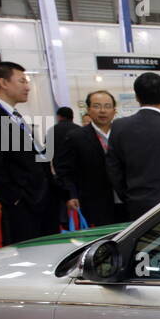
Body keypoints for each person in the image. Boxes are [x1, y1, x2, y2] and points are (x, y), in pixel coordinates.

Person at [0, 60, 57, 246]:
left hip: (40, 197)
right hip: (23, 203)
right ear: (3, 83)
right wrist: (15, 199)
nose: (28, 87)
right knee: (26, 252)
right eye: (22, 81)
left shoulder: (14, 114)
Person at [106, 72, 160, 219]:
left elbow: (113, 170)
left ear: (136, 97)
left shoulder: (119, 127)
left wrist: (128, 195)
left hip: (136, 203)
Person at [54, 89, 124, 228]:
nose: (103, 111)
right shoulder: (76, 137)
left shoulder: (123, 134)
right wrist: (70, 194)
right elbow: (64, 169)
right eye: (97, 106)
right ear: (88, 110)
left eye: (107, 106)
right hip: (95, 203)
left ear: (114, 110)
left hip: (125, 201)